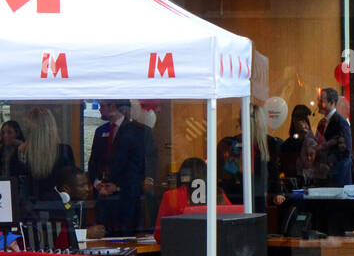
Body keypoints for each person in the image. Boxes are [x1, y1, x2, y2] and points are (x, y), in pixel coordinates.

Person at [87, 100, 154, 235]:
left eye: (103, 106)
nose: (100, 109)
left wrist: (118, 186)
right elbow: (93, 162)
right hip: (103, 200)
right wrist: (97, 184)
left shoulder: (140, 132)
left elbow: (140, 166)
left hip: (127, 201)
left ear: (114, 107)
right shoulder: (101, 131)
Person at [153, 157, 232, 242]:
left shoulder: (172, 196)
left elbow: (159, 234)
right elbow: (231, 225)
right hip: (216, 249)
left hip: (183, 250)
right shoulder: (218, 194)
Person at [17, 108, 77, 201]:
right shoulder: (64, 151)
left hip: (31, 206)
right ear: (52, 127)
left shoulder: (22, 152)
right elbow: (71, 182)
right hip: (58, 204)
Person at [318, 88, 353, 186]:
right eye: (318, 100)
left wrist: (330, 163)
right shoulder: (321, 123)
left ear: (332, 102)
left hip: (337, 178)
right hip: (324, 177)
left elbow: (346, 151)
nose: (318, 104)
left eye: (322, 101)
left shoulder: (341, 122)